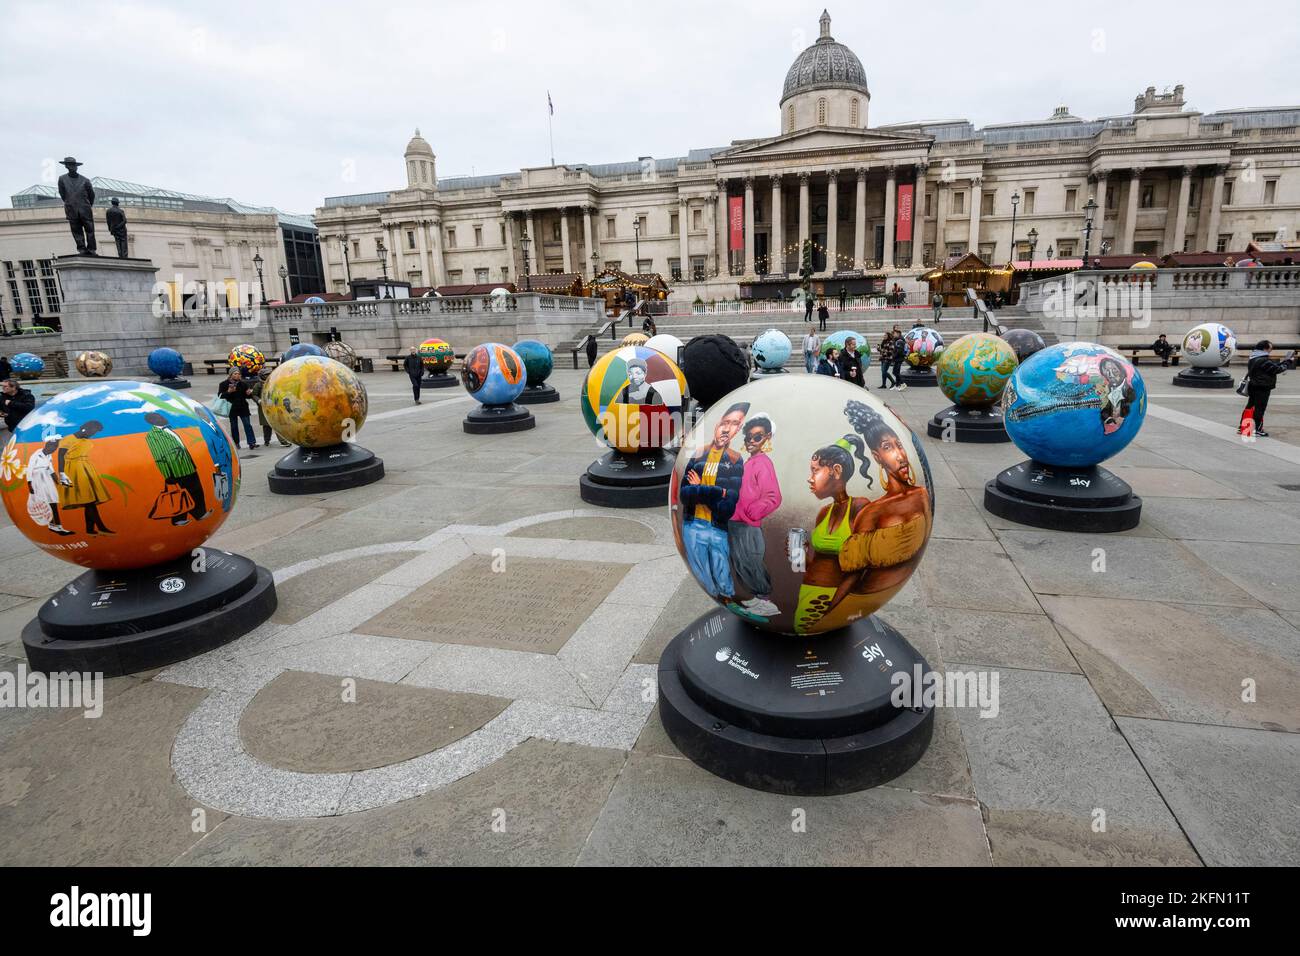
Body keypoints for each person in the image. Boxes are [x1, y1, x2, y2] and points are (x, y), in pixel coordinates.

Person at [793, 400, 931, 634]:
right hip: (810, 593)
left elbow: (854, 573)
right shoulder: (833, 513)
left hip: (846, 600)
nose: (900, 455)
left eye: (899, 445)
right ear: (877, 457)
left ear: (837, 471)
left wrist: (831, 612)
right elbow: (820, 562)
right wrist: (801, 555)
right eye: (888, 447)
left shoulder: (871, 507)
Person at [679, 402, 748, 603]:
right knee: (705, 579)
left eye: (735, 424)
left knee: (724, 581)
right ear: (717, 424)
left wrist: (700, 489)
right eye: (725, 422)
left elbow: (728, 507)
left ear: (738, 430)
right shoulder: (698, 453)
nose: (727, 428)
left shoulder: (735, 460)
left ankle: (729, 606)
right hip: (692, 525)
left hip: (718, 529)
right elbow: (684, 494)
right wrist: (718, 492)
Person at [728, 415, 783, 619]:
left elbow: (773, 496)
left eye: (757, 437)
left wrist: (752, 511)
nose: (751, 441)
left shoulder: (763, 463)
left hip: (748, 525)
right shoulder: (749, 462)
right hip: (736, 521)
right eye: (748, 437)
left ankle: (766, 601)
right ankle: (756, 597)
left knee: (751, 560)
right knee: (740, 561)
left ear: (767, 437)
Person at [143, 411, 211, 525]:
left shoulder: (169, 429)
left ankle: (200, 513)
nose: (162, 418)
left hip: (187, 465)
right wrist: (167, 475)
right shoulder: (152, 435)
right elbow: (158, 457)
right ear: (152, 421)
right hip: (176, 469)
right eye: (158, 417)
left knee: (196, 490)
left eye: (161, 416)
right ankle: (178, 519)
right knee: (178, 494)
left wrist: (192, 462)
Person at [56, 420, 113, 535]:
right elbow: (61, 455)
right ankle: (101, 527)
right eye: (93, 431)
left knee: (89, 501)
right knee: (89, 501)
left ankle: (90, 530)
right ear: (86, 428)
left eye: (95, 432)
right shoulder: (68, 439)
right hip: (73, 470)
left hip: (86, 468)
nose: (93, 434)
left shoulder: (86, 440)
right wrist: (62, 473)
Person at [1241, 340, 1294, 438]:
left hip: (1253, 385)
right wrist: (1288, 362)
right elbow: (1278, 369)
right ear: (1265, 348)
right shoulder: (1264, 360)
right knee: (1259, 408)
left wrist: (1285, 361)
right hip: (1262, 387)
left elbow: (1272, 367)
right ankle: (1256, 429)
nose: (1271, 349)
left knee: (1250, 406)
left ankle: (1243, 427)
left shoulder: (1254, 357)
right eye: (1270, 347)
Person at [26, 436, 73, 535]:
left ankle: (58, 526)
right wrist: (30, 485)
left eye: (55, 448)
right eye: (53, 447)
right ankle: (52, 525)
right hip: (37, 481)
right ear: (48, 445)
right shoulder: (36, 455)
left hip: (47, 480)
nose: (54, 449)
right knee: (46, 504)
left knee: (53, 502)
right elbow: (29, 470)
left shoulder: (49, 456)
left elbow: (51, 470)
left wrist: (58, 482)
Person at [218, 368, 257, 449]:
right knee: (234, 426)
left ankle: (251, 442)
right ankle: (236, 443)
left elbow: (247, 396)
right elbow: (220, 396)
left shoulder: (243, 384)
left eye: (239, 374)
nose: (237, 375)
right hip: (232, 408)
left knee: (247, 425)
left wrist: (249, 394)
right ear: (230, 375)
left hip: (243, 407)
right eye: (235, 374)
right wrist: (228, 392)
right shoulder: (223, 384)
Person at [250, 368, 289, 446]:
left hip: (274, 407)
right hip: (264, 407)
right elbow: (254, 395)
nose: (268, 376)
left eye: (269, 374)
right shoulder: (258, 385)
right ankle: (266, 440)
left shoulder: (274, 383)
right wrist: (259, 401)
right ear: (262, 376)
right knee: (266, 426)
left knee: (275, 424)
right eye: (266, 375)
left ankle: (283, 441)